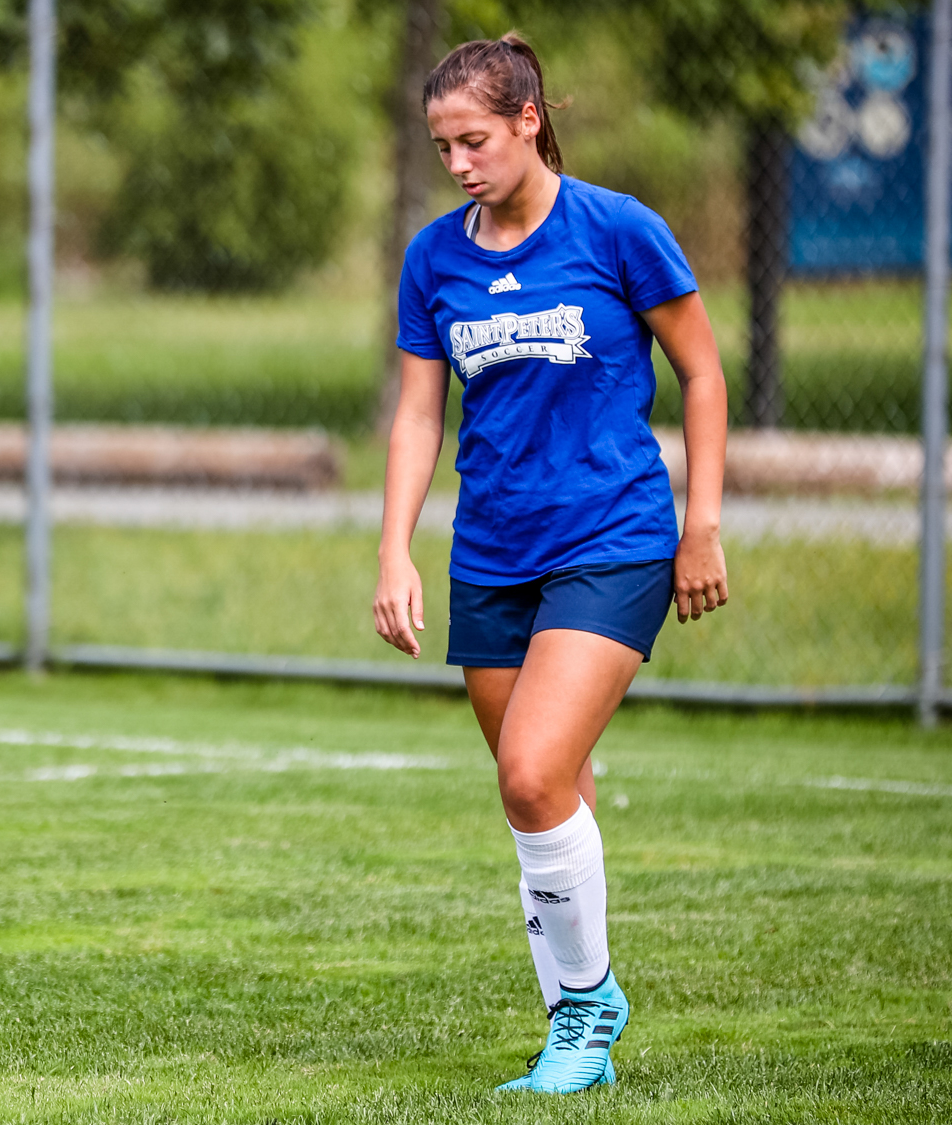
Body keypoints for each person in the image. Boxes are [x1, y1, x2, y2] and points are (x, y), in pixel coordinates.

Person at [372, 34, 730, 1095]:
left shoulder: (619, 230)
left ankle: (583, 1013)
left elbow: (702, 375)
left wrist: (700, 522)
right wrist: (393, 550)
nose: (457, 163)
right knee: (543, 787)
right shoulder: (433, 257)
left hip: (612, 538)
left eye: (472, 139)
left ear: (527, 119)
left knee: (530, 774)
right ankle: (581, 1021)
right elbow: (415, 417)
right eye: (440, 146)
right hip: (491, 554)